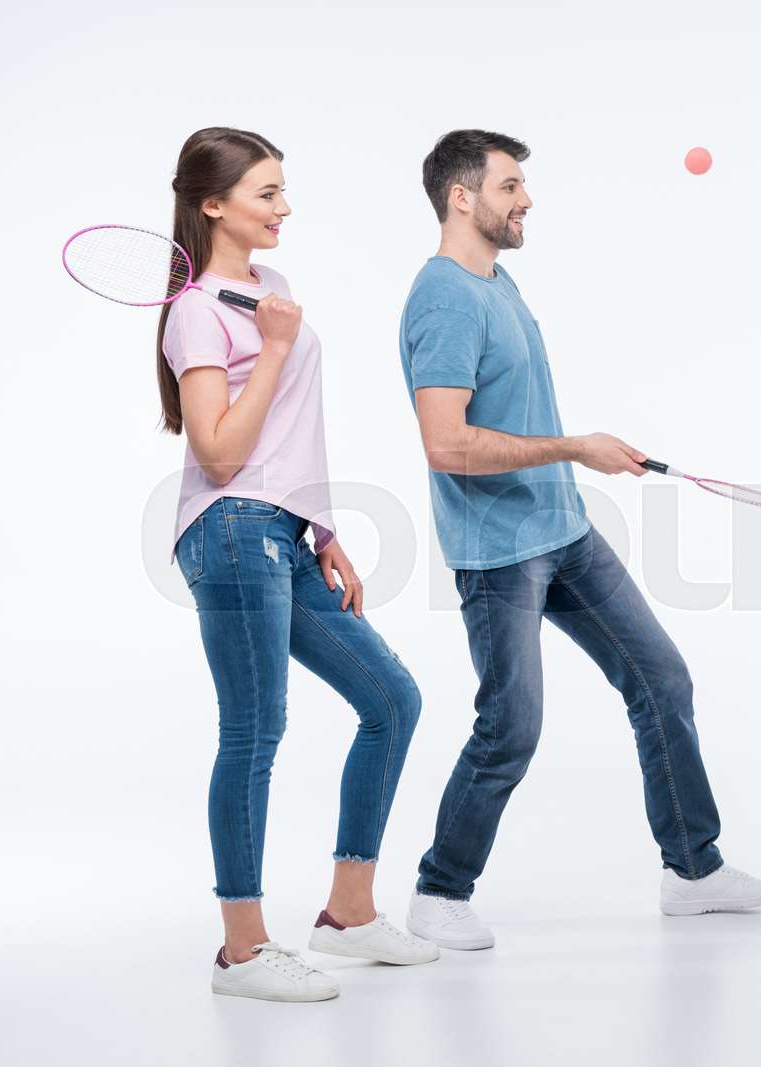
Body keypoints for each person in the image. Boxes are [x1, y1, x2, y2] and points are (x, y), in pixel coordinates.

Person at [397, 129, 761, 949]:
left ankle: (693, 869)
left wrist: (575, 462)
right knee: (511, 725)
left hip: (564, 532)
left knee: (661, 680)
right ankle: (439, 891)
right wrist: (577, 447)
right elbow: (447, 443)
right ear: (461, 197)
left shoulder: (497, 283)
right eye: (509, 186)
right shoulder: (443, 299)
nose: (526, 199)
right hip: (499, 553)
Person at [160, 127, 438, 1001]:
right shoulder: (197, 311)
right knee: (255, 729)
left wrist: (322, 527)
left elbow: (290, 432)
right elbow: (216, 452)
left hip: (283, 534)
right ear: (213, 205)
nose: (285, 209)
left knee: (391, 699)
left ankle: (348, 914)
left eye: (284, 191)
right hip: (232, 528)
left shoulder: (271, 288)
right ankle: (242, 951)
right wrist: (274, 347)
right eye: (267, 193)